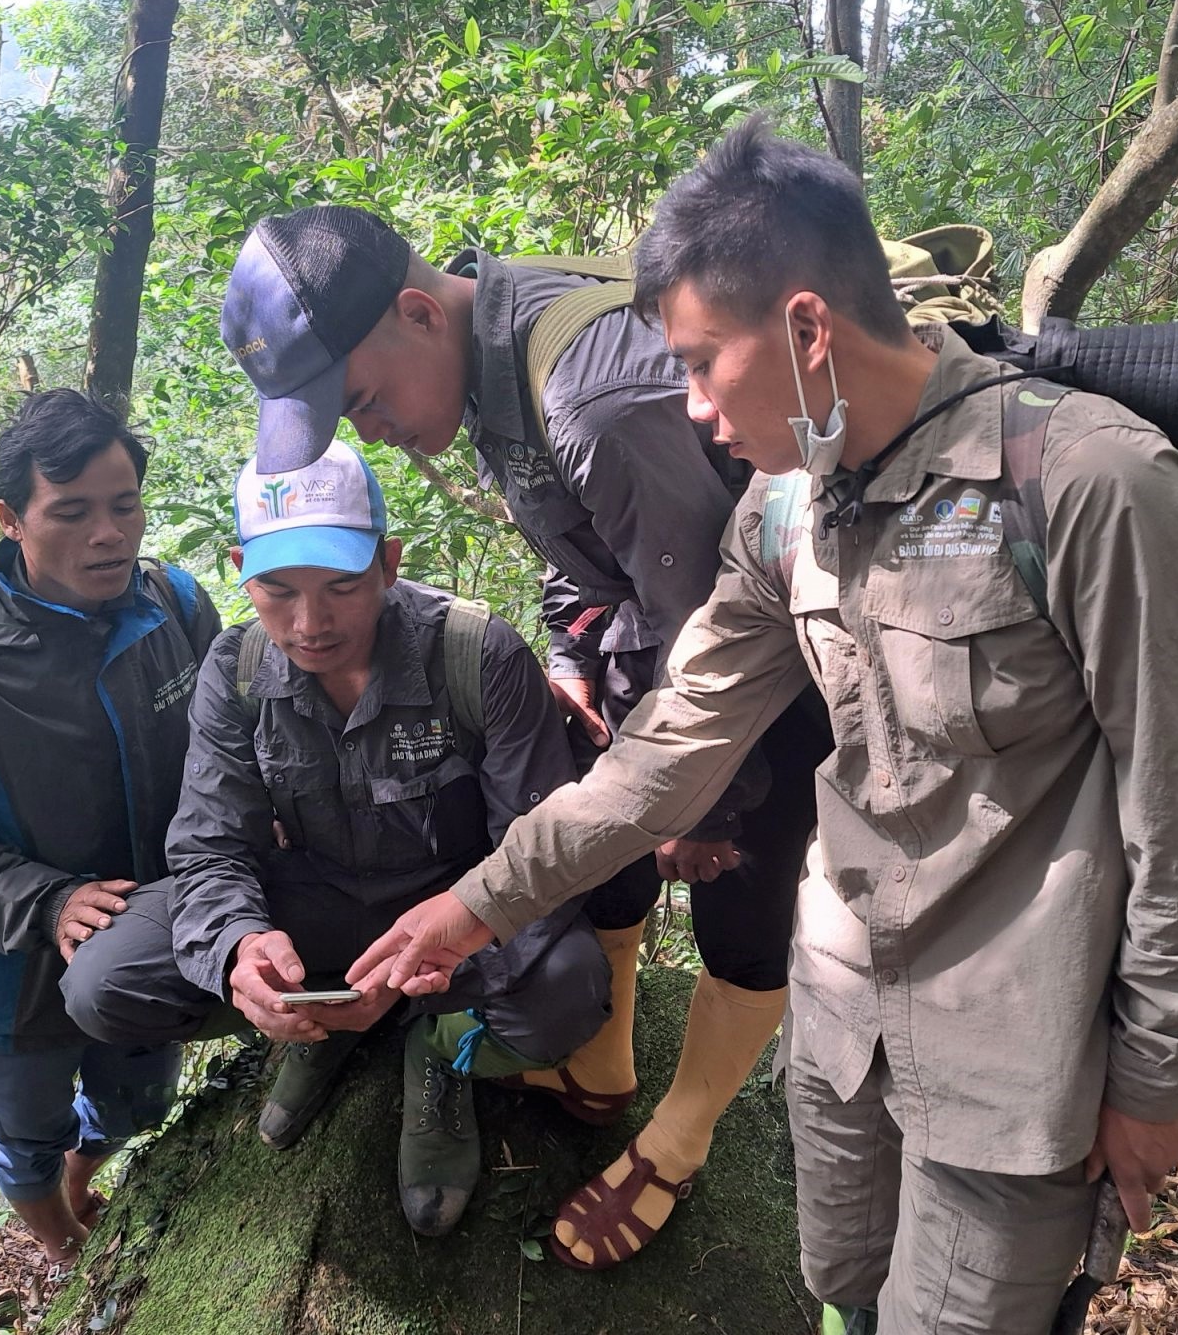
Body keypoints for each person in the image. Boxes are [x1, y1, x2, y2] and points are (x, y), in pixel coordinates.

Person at [346, 116, 1178, 1332]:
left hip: (1018, 1068)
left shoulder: (1092, 486)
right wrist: (476, 905)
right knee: (840, 1284)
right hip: (846, 1031)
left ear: (805, 329)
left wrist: (1158, 1080)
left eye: (702, 364)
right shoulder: (786, 511)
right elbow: (669, 748)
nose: (691, 409)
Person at [220, 200, 831, 1270]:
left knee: (739, 904)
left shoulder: (590, 396)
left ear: (417, 312)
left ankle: (677, 1144)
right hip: (653, 655)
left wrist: (706, 811)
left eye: (361, 401)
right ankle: (601, 1068)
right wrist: (571, 657)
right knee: (605, 852)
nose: (368, 432)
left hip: (768, 681)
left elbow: (722, 640)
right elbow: (579, 541)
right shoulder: (488, 355)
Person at [61, 440, 609, 1238]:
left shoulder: (475, 653)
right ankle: (316, 1020)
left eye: (342, 587)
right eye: (277, 591)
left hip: (451, 913)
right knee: (105, 984)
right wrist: (241, 950)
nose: (309, 624)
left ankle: (436, 1046)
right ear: (240, 571)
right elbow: (211, 845)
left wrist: (439, 957)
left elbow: (540, 854)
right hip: (311, 901)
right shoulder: (236, 668)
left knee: (566, 993)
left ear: (387, 564)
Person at [0, 389, 221, 1264]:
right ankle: (65, 1252)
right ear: (10, 518)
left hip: (152, 933)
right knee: (24, 1128)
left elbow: (231, 740)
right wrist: (48, 902)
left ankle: (83, 1180)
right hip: (9, 971)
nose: (108, 534)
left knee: (137, 1101)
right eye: (71, 512)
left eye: (124, 505)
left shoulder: (173, 608)